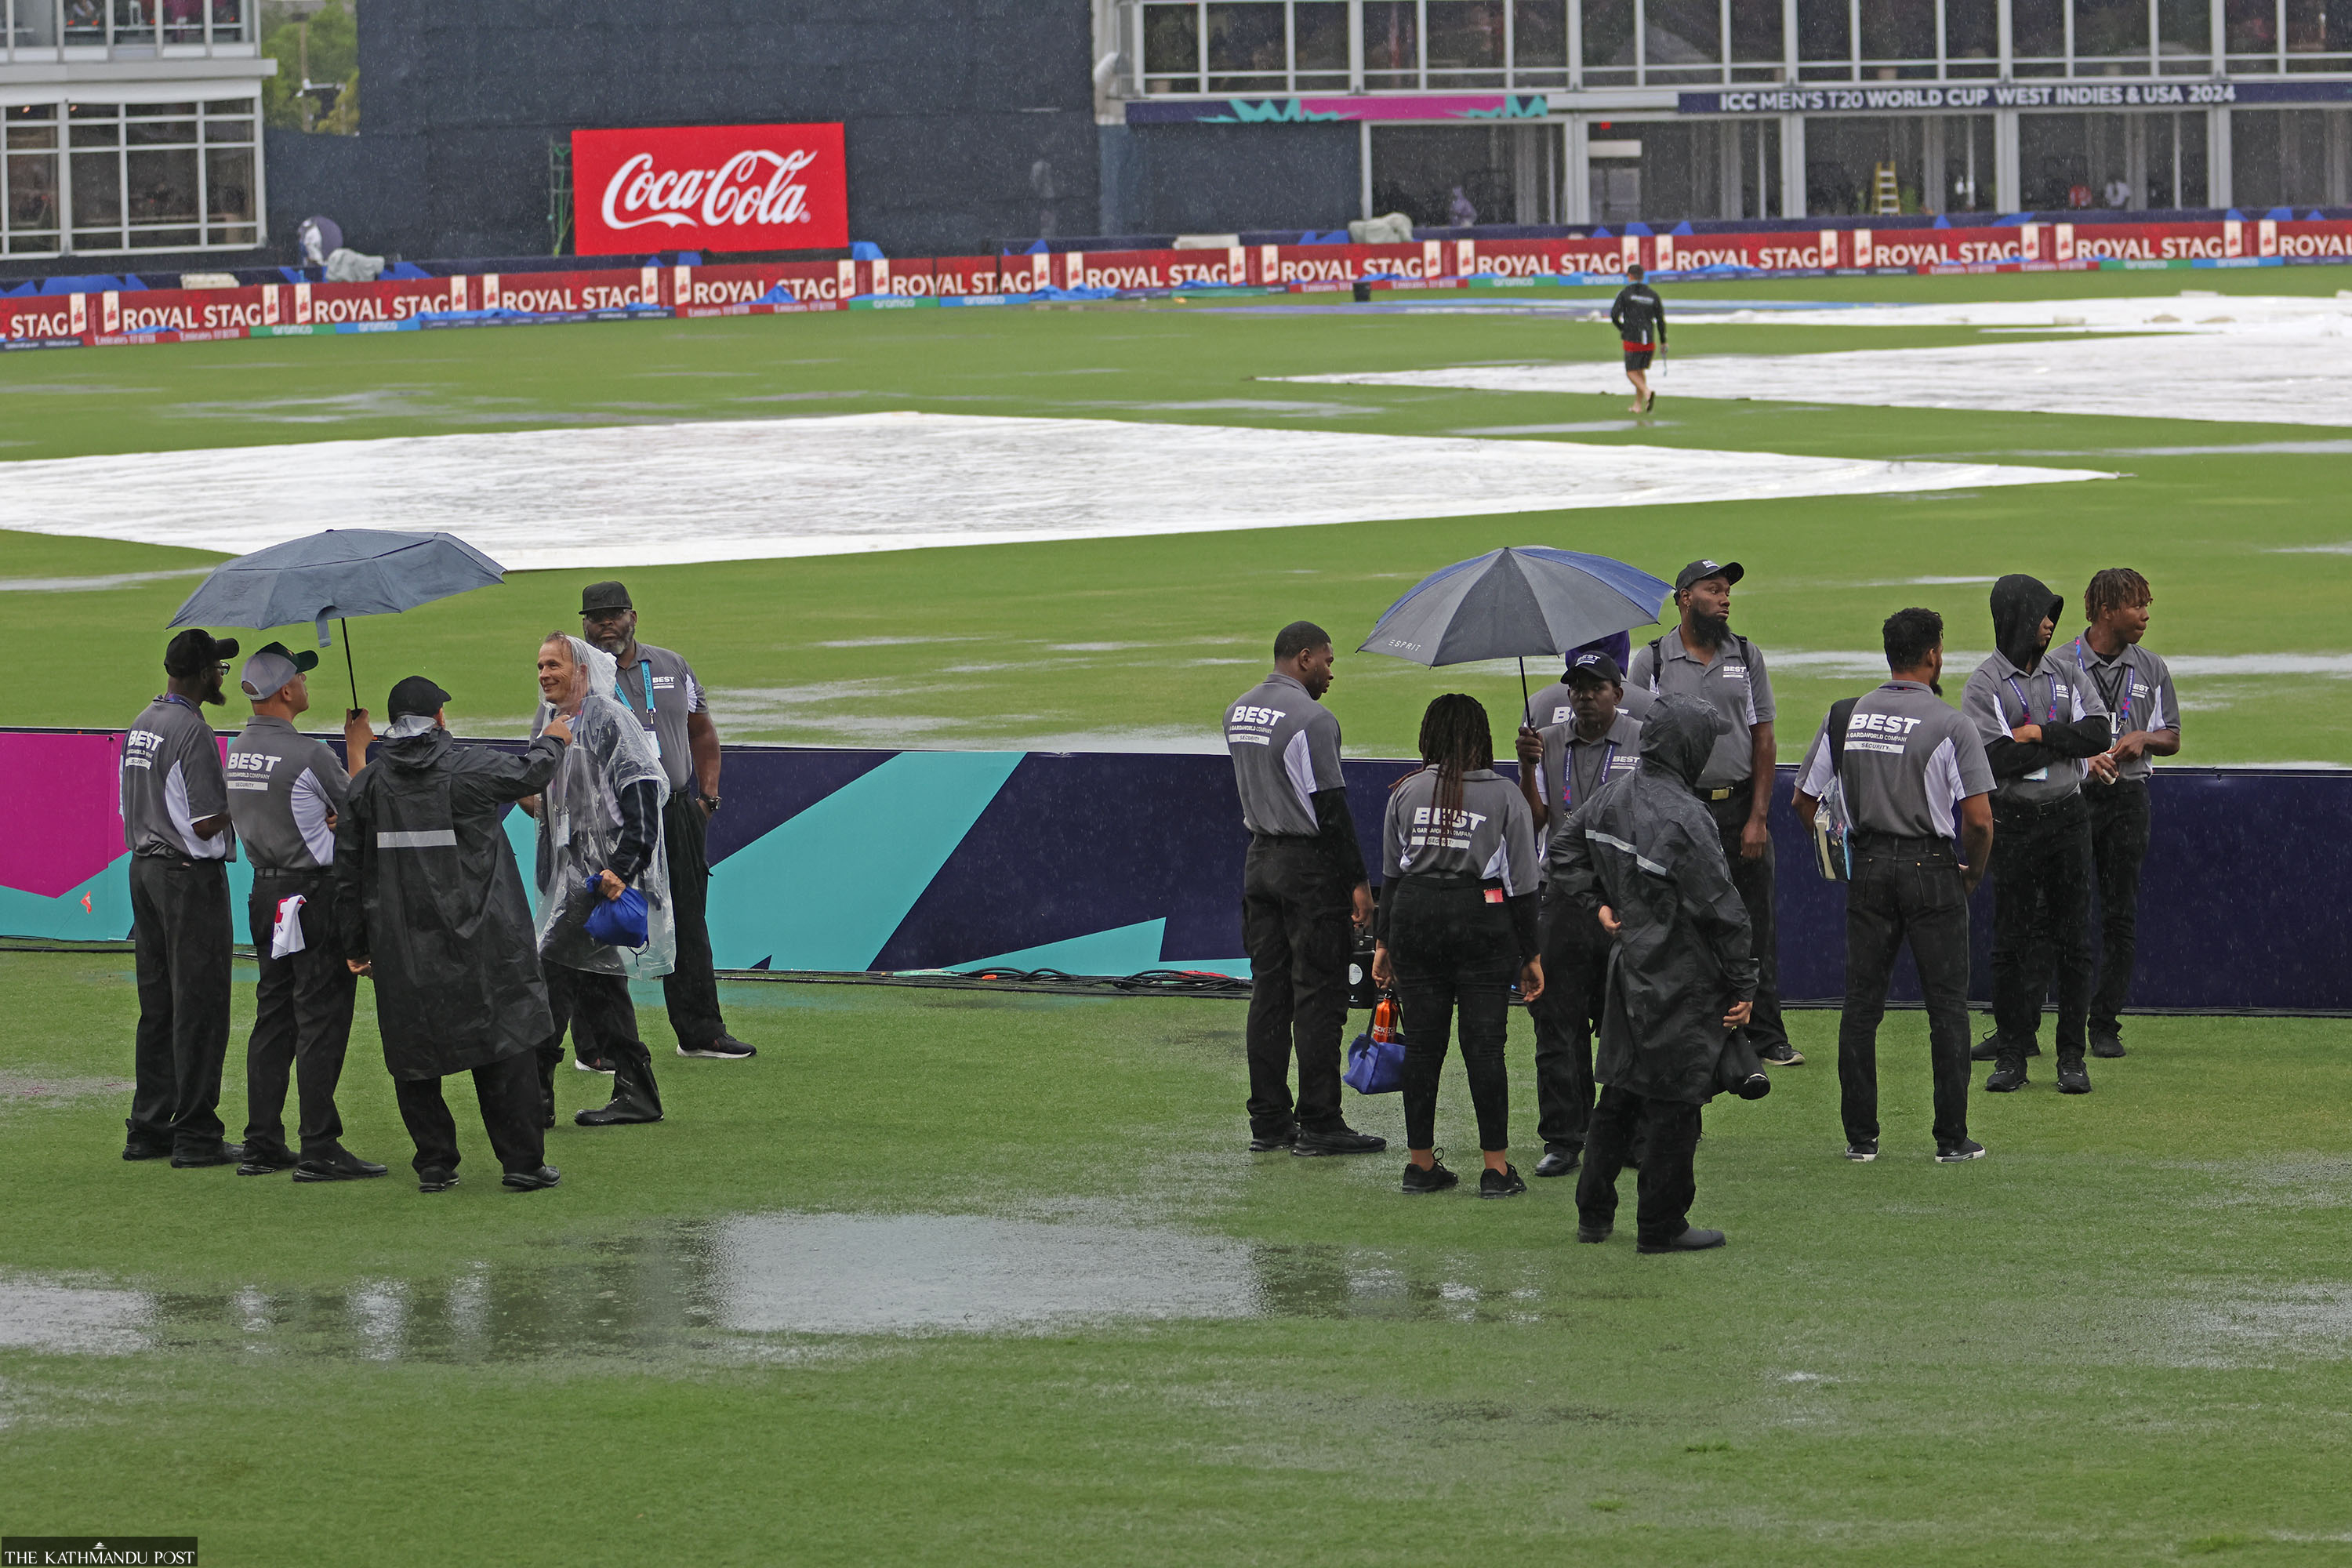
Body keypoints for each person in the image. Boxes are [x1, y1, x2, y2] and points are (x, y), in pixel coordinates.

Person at [332, 677, 568, 1192]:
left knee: (415, 1056)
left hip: (404, 946)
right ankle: (523, 1163)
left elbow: (346, 872)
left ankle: (435, 1164)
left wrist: (355, 945)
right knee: (505, 1046)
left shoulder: (368, 785)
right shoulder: (468, 767)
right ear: (439, 719)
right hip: (485, 941)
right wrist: (557, 735)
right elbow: (534, 771)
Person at [1552, 698, 1756, 1254]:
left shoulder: (1610, 796)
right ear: (1689, 749)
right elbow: (1724, 911)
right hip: (1678, 977)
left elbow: (1561, 854)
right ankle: (1661, 1224)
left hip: (1626, 969)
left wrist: (1600, 907)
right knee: (1674, 1101)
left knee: (1618, 1092)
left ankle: (1594, 1215)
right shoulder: (1689, 817)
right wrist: (1744, 985)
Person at [1792, 608, 1996, 1163]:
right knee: (1947, 1009)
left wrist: (1842, 854)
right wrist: (1971, 874)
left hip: (1871, 869)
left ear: (1889, 654)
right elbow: (1978, 821)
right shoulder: (1952, 724)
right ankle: (1951, 1139)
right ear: (1933, 656)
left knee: (1861, 1008)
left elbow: (1803, 802)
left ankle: (1862, 1139)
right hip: (1932, 869)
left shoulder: (1846, 716)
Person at [222, 642, 386, 1181]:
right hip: (313, 896)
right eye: (302, 680)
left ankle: (262, 1142)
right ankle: (319, 1145)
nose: (307, 688)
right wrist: (357, 747)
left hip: (264, 895)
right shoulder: (310, 753)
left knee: (273, 1016)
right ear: (287, 691)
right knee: (322, 1019)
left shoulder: (237, 748)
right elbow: (360, 813)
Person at [1370, 694, 1544, 1198]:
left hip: (1414, 918)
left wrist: (1384, 943)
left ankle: (1420, 1166)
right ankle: (1495, 1170)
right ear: (1483, 737)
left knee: (1423, 1046)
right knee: (1484, 1045)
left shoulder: (1405, 792)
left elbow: (1391, 875)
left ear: (1430, 736)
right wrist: (1531, 955)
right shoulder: (1506, 795)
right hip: (1481, 920)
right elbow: (1524, 885)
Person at [1627, 561, 1798, 1068]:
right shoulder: (1652, 661)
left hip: (1739, 807)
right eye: (1713, 590)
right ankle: (1687, 1028)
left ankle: (1767, 1034)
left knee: (1754, 923)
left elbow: (1763, 738)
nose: (1725, 599)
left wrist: (1759, 818)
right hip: (1680, 811)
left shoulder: (1745, 655)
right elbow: (1637, 743)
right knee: (1681, 924)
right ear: (1684, 598)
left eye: (1727, 591)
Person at [1224, 621, 1385, 1157]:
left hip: (1258, 860)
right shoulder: (1312, 719)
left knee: (1268, 995)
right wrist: (1359, 884)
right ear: (1302, 657)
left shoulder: (1238, 711)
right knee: (1319, 996)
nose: (1331, 672)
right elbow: (1331, 808)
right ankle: (1320, 1121)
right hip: (1307, 868)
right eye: (1327, 661)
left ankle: (1268, 1121)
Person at [579, 580, 754, 1062]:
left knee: (689, 921)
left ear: (634, 616)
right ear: (585, 625)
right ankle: (596, 1046)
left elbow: (703, 731)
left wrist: (708, 800)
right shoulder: (577, 675)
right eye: (597, 617)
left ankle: (701, 1032)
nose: (607, 623)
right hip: (610, 817)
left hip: (676, 810)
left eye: (616, 613)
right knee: (599, 924)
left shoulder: (673, 666)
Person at [1960, 575, 2114, 1095]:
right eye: (2040, 613)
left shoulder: (2068, 671)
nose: (2049, 622)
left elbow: (2099, 733)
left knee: (2074, 942)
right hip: (2015, 823)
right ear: (2013, 618)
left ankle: (2071, 1058)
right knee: (2011, 944)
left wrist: (2041, 733)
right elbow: (1995, 758)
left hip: (2069, 818)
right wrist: (2062, 746)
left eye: (2052, 613)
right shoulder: (1984, 684)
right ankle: (2012, 1055)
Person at [527, 634, 675, 1129]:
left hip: (598, 881)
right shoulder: (550, 722)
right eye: (541, 666)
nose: (545, 674)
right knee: (595, 985)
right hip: (572, 881)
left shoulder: (610, 719)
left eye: (555, 665)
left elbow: (643, 793)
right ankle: (635, 1091)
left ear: (583, 670)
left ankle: (536, 1095)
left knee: (552, 977)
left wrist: (623, 868)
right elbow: (546, 802)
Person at [1513, 649, 1643, 1177]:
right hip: (1563, 897)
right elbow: (1535, 819)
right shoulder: (1544, 743)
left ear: (1617, 692)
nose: (1585, 696)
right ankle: (1564, 1138)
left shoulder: (1643, 738)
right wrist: (1525, 767)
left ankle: (1628, 1132)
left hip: (1623, 897)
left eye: (1596, 687)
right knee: (1556, 1021)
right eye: (1577, 688)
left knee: (1631, 1021)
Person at [121, 629, 243, 1168]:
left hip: (144, 871)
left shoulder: (143, 723)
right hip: (186, 878)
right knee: (200, 1006)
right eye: (219, 667)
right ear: (199, 675)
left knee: (159, 1005)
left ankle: (149, 1126)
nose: (223, 676)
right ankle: (196, 1134)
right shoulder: (192, 730)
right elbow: (205, 818)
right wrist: (249, 796)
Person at [2071, 569, 2179, 1059]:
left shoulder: (2152, 668)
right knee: (2058, 915)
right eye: (2137, 605)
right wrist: (2081, 760)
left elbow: (2172, 736)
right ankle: (2032, 1027)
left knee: (2119, 916)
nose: (2146, 614)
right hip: (2071, 800)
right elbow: (2038, 736)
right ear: (2107, 609)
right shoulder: (2059, 665)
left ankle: (2104, 1024)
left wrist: (2144, 739)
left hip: (2128, 801)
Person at [1610, 263, 1666, 413]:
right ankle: (1637, 405)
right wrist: (1663, 341)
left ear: (1630, 276)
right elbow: (1660, 320)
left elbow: (1614, 315)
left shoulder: (1625, 294)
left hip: (1632, 337)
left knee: (1631, 372)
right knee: (1640, 371)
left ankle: (1647, 392)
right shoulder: (1652, 295)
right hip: (1649, 339)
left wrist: (1623, 328)